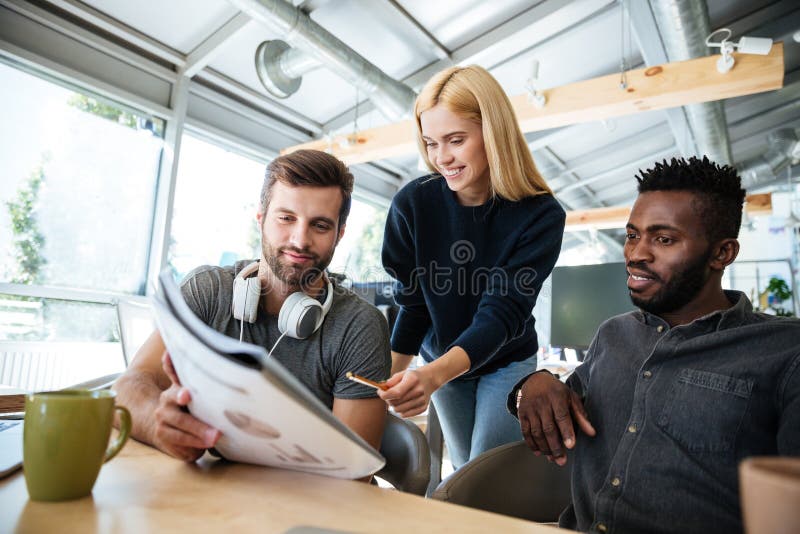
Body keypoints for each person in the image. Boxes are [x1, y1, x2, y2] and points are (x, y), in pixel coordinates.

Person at [511, 156, 800, 534]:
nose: (636, 254)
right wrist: (531, 385)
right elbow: (556, 401)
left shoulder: (785, 353)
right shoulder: (613, 335)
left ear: (722, 253)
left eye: (664, 239)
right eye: (633, 235)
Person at [114, 149, 391, 465]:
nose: (300, 240)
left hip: (301, 490)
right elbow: (128, 387)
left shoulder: (359, 326)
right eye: (286, 218)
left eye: (320, 225)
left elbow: (355, 470)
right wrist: (159, 426)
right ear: (261, 219)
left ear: (339, 234)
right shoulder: (208, 291)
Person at [378, 65, 565, 468]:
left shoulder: (540, 215)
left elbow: (501, 313)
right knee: (463, 469)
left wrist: (432, 376)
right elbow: (414, 304)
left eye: (456, 140)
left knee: (484, 474)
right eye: (431, 143)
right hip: (440, 359)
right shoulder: (413, 204)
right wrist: (381, 386)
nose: (441, 158)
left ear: (493, 133)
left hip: (506, 361)